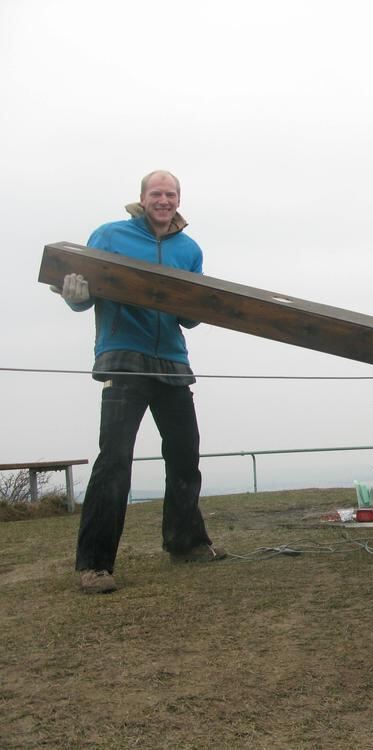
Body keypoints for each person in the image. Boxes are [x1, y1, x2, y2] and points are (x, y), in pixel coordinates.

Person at [52, 170, 226, 595]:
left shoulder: (190, 249)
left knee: (185, 454)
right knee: (114, 460)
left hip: (172, 360)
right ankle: (94, 565)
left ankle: (185, 543)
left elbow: (189, 315)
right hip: (123, 356)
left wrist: (199, 306)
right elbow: (81, 290)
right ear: (142, 198)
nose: (163, 200)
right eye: (156, 193)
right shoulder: (110, 236)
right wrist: (75, 296)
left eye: (170, 194)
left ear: (179, 199)